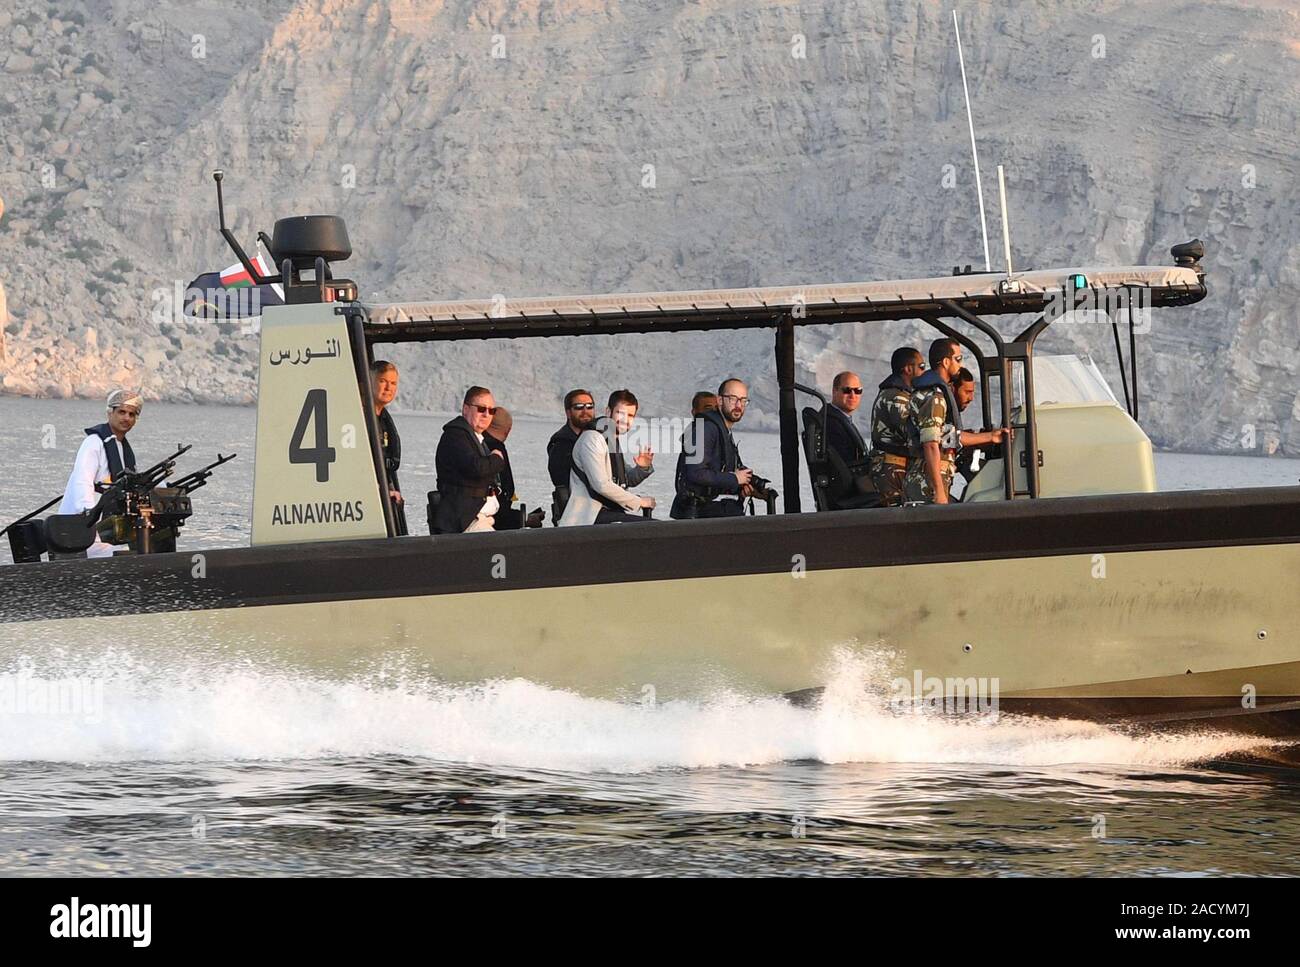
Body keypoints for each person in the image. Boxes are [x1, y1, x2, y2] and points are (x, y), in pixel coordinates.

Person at [903, 342, 1010, 505]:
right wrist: (939, 493)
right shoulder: (934, 397)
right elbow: (931, 445)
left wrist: (991, 437)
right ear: (946, 362)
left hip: (928, 481)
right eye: (958, 359)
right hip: (926, 485)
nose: (960, 365)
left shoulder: (934, 395)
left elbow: (948, 435)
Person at [59, 388, 143, 558]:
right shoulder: (93, 443)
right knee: (125, 556)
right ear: (110, 413)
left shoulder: (124, 449)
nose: (126, 418)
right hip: (82, 528)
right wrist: (88, 513)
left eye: (131, 414)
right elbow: (82, 480)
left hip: (106, 527)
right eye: (121, 412)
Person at [559, 389, 655, 525]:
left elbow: (625, 480)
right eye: (620, 413)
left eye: (630, 415)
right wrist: (639, 502)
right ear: (608, 412)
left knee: (655, 529)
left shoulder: (610, 439)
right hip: (590, 517)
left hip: (610, 513)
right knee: (655, 529)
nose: (625, 420)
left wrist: (642, 468)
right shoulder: (592, 439)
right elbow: (601, 485)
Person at [671, 377, 759, 519]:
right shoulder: (703, 428)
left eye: (743, 400)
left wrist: (745, 484)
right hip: (699, 516)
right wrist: (734, 479)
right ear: (719, 401)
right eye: (732, 399)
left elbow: (724, 470)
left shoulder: (722, 430)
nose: (738, 405)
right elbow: (696, 473)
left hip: (717, 512)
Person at [432, 386, 507, 533]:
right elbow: (476, 468)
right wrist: (497, 458)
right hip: (464, 521)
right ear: (466, 409)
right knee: (497, 550)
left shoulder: (476, 439)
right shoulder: (455, 436)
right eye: (481, 409)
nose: (486, 414)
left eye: (491, 411)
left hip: (480, 517)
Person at [867, 347, 926, 506]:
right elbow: (916, 433)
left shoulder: (901, 395)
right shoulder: (896, 397)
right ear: (908, 369)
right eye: (921, 367)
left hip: (897, 468)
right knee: (895, 519)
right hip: (891, 471)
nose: (923, 372)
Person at [483, 406, 544, 529]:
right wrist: (523, 519)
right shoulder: (494, 451)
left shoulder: (477, 446)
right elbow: (497, 507)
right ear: (508, 430)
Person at [547, 388, 597, 522]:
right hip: (579, 513)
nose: (585, 412)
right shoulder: (561, 444)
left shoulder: (599, 438)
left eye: (589, 406)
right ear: (568, 413)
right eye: (579, 407)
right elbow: (561, 482)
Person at [370, 360, 407, 535]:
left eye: (393, 383)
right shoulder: (360, 418)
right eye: (383, 381)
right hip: (371, 497)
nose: (388, 388)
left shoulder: (383, 418)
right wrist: (380, 489)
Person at [825, 371, 869, 467]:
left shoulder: (839, 418)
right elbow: (844, 464)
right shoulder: (832, 424)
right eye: (847, 390)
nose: (853, 396)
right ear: (834, 391)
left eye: (858, 391)